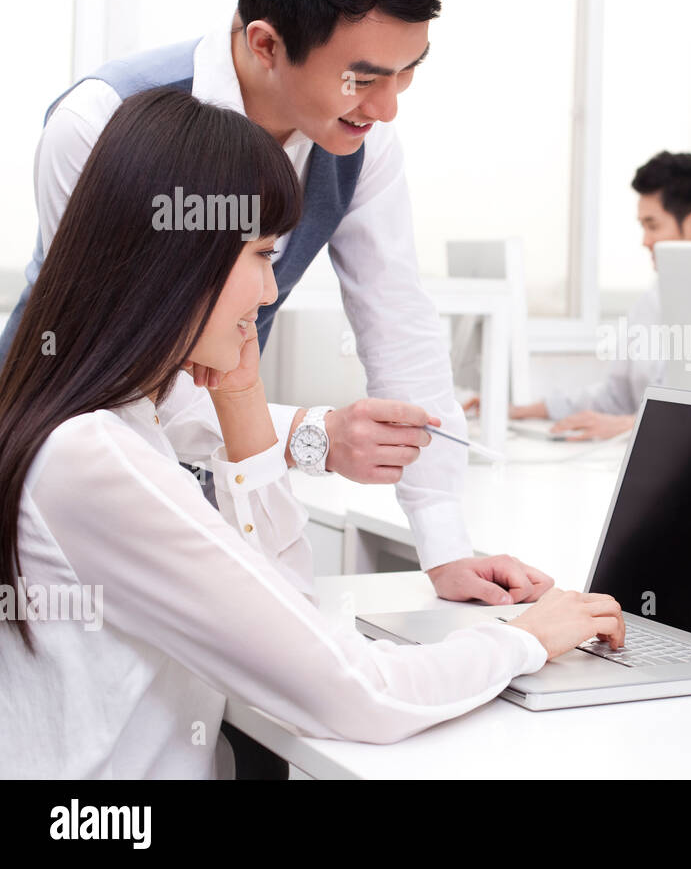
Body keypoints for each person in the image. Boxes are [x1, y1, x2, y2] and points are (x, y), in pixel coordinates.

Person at [0, 89, 625, 779]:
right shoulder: (94, 459)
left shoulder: (103, 427)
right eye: (263, 255)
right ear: (180, 260)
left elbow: (292, 609)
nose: (269, 293)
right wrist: (525, 641)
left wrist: (243, 405)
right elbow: (355, 692)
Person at [0, 0, 549, 606]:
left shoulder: (361, 143)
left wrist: (444, 549)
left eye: (407, 73)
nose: (386, 107)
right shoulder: (101, 123)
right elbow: (120, 372)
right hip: (55, 481)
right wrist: (312, 434)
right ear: (266, 43)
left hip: (206, 472)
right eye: (363, 77)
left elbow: (399, 326)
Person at [504, 151, 691, 440]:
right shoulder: (650, 303)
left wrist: (627, 427)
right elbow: (614, 398)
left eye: (653, 225)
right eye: (642, 226)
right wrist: (521, 410)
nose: (645, 241)